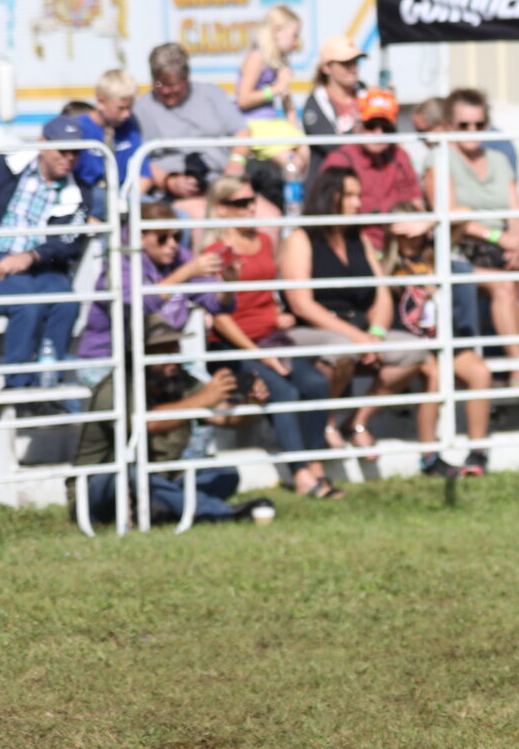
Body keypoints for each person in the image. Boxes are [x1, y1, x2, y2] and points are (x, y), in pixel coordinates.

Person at [198, 170, 341, 500]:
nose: (251, 208)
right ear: (221, 209)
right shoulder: (216, 253)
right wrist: (259, 355)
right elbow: (220, 318)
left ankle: (316, 464)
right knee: (284, 392)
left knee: (316, 383)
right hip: (234, 346)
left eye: (253, 200)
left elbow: (264, 292)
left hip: (271, 338)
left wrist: (278, 314)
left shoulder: (263, 240)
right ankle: (301, 474)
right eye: (241, 203)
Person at [0, 114, 95, 405]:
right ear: (43, 144)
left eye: (76, 152)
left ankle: (49, 386)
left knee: (66, 303)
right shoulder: (7, 167)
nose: (69, 158)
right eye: (63, 150)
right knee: (27, 305)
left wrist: (32, 256)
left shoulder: (80, 192)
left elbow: (69, 241)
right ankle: (18, 390)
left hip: (41, 265)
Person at [71, 325, 266, 526]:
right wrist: (203, 399)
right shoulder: (114, 387)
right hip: (100, 487)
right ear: (140, 354)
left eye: (175, 347)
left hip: (161, 477)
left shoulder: (179, 380)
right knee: (132, 474)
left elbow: (226, 419)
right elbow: (144, 425)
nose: (173, 357)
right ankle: (222, 514)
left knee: (224, 473)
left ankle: (163, 508)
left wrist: (250, 404)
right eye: (163, 350)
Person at [364, 209, 490, 475]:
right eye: (403, 234)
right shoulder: (383, 263)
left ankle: (477, 453)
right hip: (409, 340)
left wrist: (429, 222)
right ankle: (429, 456)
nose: (411, 240)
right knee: (434, 374)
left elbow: (465, 213)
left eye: (415, 234)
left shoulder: (437, 255)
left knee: (480, 373)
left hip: (444, 339)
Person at [442, 86, 519, 386]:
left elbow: (516, 211)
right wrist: (498, 238)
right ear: (450, 125)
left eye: (479, 124)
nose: (472, 131)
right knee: (503, 287)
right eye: (464, 125)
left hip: (502, 247)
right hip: (462, 251)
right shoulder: (440, 160)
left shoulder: (499, 160)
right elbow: (450, 213)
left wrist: (517, 245)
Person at [278, 163, 391, 444]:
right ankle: (325, 421)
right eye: (350, 195)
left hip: (359, 329)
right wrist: (358, 338)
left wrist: (376, 333)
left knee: (412, 352)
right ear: (329, 197)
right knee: (341, 348)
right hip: (311, 329)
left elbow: (382, 292)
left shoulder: (359, 239)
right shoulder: (301, 238)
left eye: (359, 195)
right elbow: (302, 305)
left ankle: (357, 422)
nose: (358, 203)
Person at [70, 198, 231, 389]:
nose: (172, 244)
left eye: (177, 237)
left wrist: (228, 285)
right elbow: (135, 307)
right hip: (109, 360)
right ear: (139, 237)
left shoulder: (179, 258)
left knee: (214, 391)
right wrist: (184, 273)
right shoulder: (119, 264)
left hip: (163, 360)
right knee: (143, 398)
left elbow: (216, 303)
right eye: (163, 238)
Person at [133, 42, 247, 193]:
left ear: (186, 77)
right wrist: (169, 182)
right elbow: (140, 159)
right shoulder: (140, 109)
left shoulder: (212, 94)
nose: (165, 91)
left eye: (172, 85)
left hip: (222, 182)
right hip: (171, 192)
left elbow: (242, 131)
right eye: (159, 84)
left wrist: (236, 163)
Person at [323, 90, 427, 254]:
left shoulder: (400, 157)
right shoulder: (340, 161)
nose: (379, 133)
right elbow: (328, 216)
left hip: (401, 248)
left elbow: (417, 205)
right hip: (356, 248)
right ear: (358, 126)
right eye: (371, 125)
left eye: (386, 127)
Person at [73, 69, 143, 209]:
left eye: (130, 108)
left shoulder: (130, 127)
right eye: (121, 108)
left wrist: (124, 200)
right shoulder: (78, 129)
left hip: (125, 196)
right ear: (101, 101)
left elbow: (144, 175)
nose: (126, 114)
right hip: (88, 196)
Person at [298, 35, 368, 165]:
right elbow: (331, 146)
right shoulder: (315, 103)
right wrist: (359, 131)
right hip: (331, 173)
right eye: (346, 63)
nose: (354, 68)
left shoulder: (366, 93)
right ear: (326, 67)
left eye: (355, 62)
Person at [234, 6, 304, 122]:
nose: (297, 42)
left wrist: (293, 126)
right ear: (277, 31)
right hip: (251, 124)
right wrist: (276, 88)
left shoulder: (278, 63)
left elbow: (288, 106)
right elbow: (243, 99)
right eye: (295, 35)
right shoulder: (257, 56)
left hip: (269, 122)